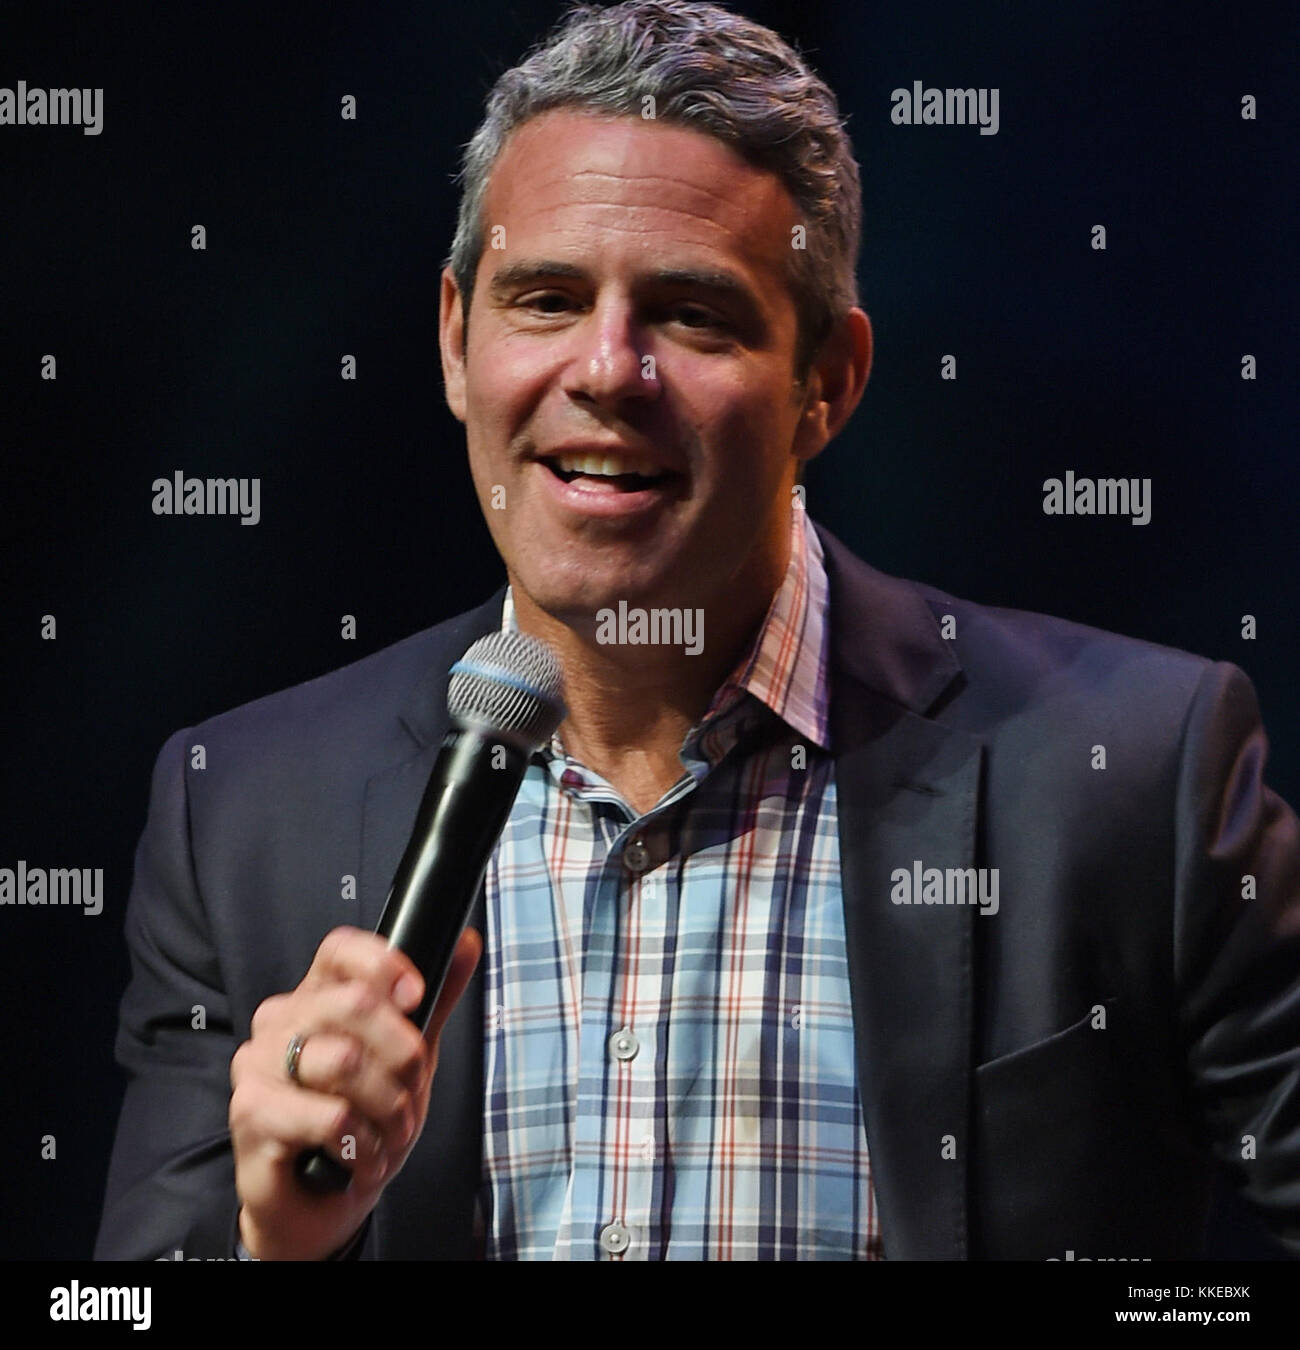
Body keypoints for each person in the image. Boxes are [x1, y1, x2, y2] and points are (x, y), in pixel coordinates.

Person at [94, 0, 1300, 1261]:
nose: (609, 370)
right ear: (457, 342)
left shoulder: (1133, 771)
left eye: (692, 314)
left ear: (826, 382)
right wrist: (270, 1248)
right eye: (547, 298)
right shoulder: (241, 812)